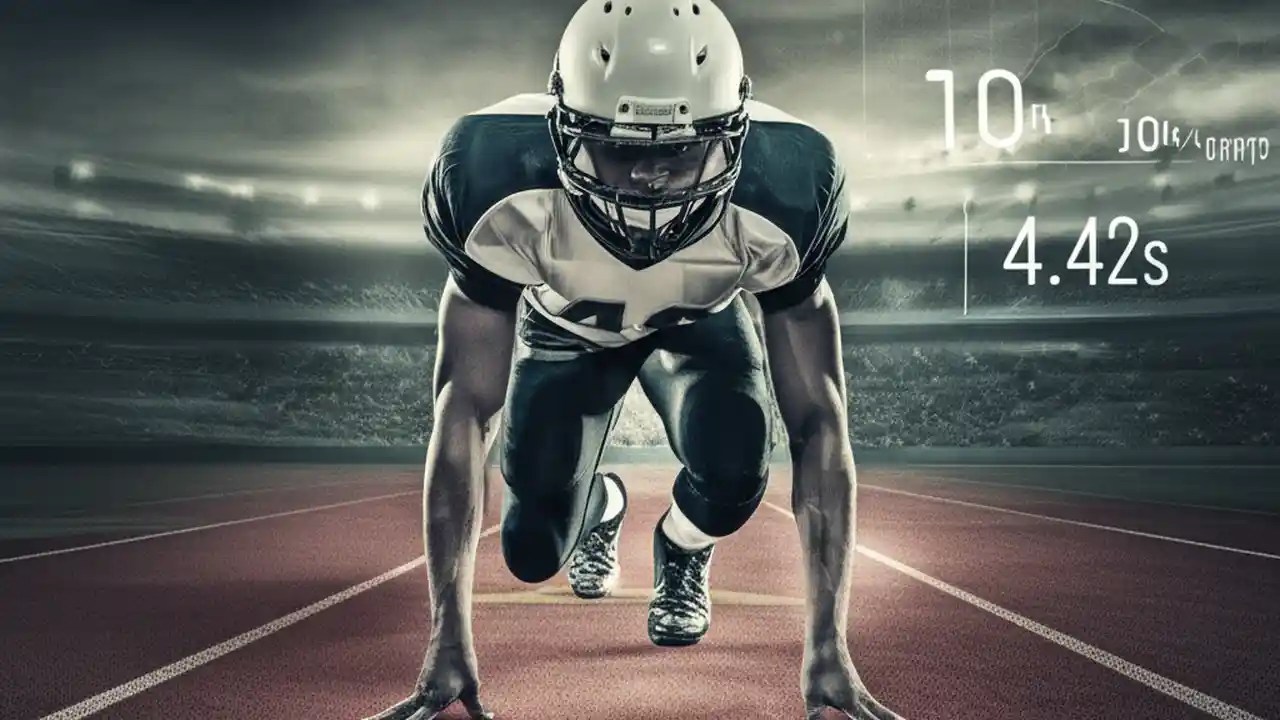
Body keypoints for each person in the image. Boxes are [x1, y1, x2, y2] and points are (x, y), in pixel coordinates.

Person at [368, 1, 900, 718]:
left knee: (739, 467)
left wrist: (830, 644)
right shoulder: (489, 176)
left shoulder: (789, 187)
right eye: (622, 150)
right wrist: (447, 633)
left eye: (680, 152)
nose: (650, 179)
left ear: (734, 135)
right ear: (561, 129)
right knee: (531, 553)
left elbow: (819, 423)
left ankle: (681, 547)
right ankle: (604, 505)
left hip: (698, 330)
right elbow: (465, 410)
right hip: (568, 337)